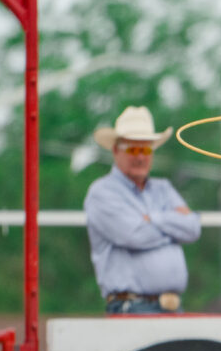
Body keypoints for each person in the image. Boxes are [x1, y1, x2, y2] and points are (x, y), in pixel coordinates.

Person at [84, 106, 201, 314]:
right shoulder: (101, 192)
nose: (140, 157)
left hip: (172, 307)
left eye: (146, 149)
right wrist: (173, 230)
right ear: (115, 150)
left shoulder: (163, 188)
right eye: (133, 149)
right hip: (131, 307)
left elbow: (192, 227)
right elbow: (134, 235)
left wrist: (152, 219)